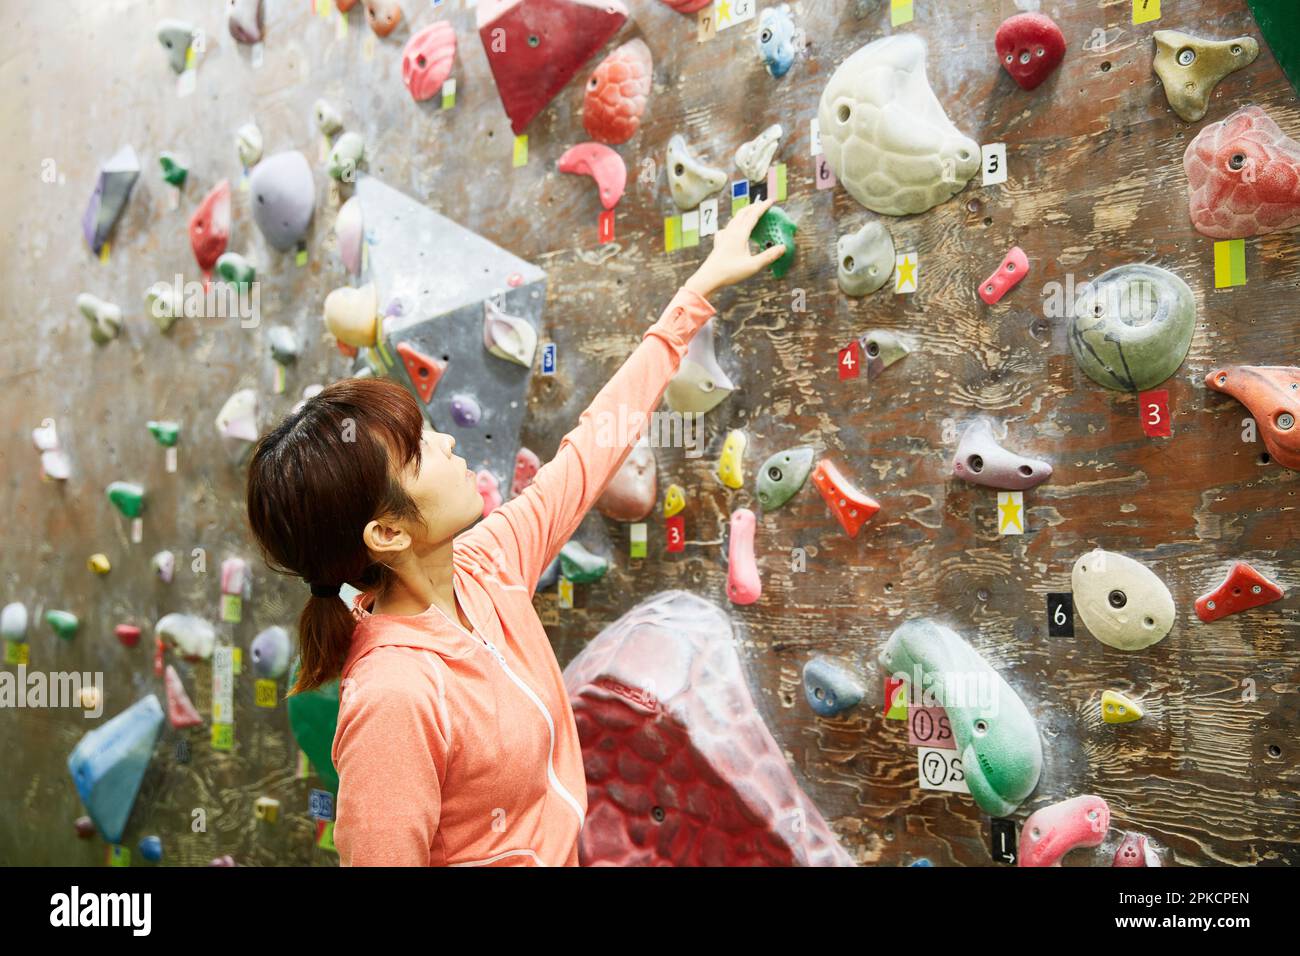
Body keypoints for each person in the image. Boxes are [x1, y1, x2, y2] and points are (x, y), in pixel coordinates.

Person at [245, 197, 786, 866]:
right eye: (418, 453)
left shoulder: (483, 565)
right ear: (385, 533)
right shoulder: (393, 699)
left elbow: (591, 452)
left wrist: (694, 295)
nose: (444, 443)